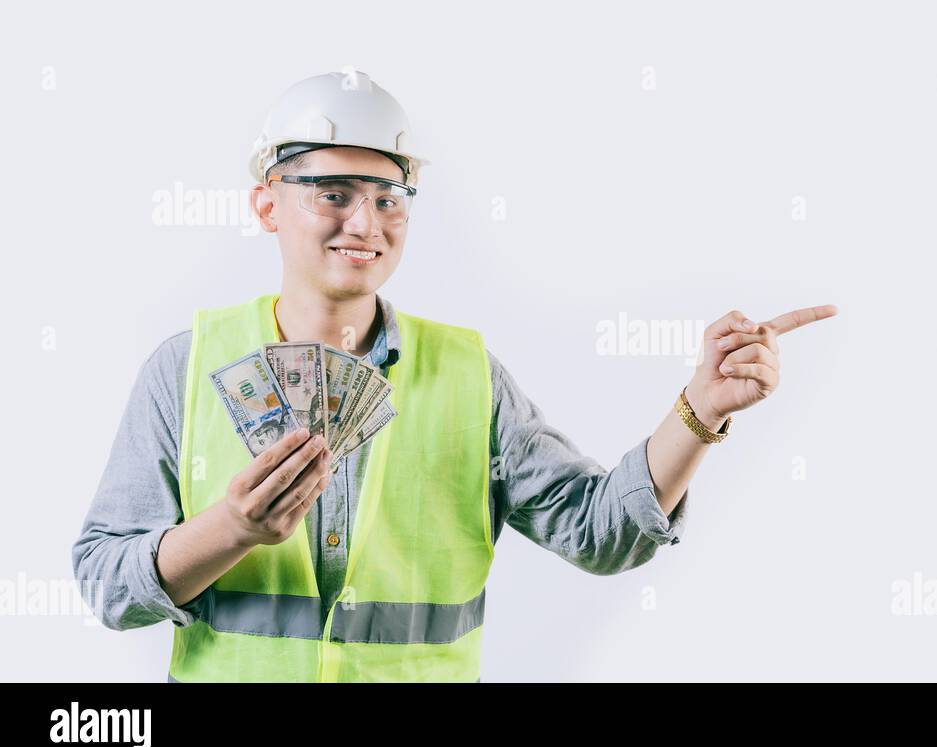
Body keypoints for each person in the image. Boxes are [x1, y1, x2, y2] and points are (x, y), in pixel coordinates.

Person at [72, 70, 837, 682]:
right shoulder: (188, 366)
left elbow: (601, 535)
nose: (365, 223)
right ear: (266, 205)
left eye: (388, 198)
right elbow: (107, 585)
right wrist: (231, 531)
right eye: (332, 195)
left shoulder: (470, 376)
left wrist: (697, 411)